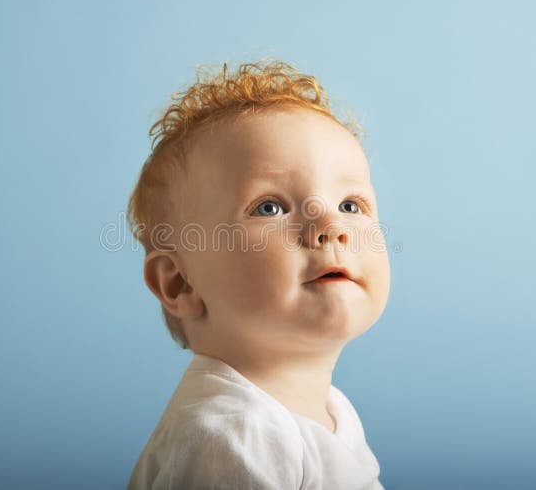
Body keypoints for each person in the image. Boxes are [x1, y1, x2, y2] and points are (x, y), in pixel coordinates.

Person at [126, 58, 391, 489]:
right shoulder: (234, 433)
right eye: (270, 207)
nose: (332, 229)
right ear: (181, 282)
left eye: (351, 205)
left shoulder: (330, 411)